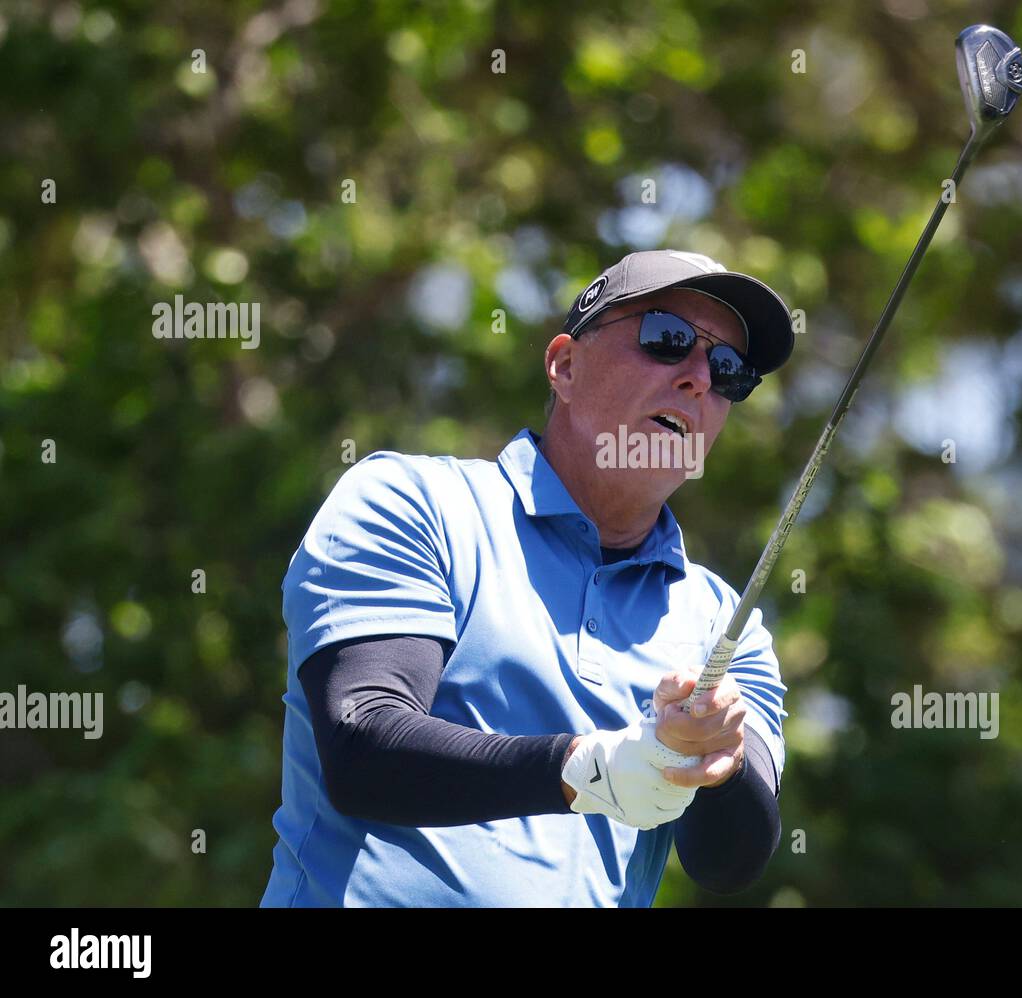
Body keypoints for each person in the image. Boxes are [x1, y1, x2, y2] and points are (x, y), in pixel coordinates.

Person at [260, 249, 794, 907]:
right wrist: (587, 771)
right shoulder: (411, 502)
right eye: (667, 338)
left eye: (728, 370)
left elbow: (729, 862)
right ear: (565, 365)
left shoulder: (725, 624)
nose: (697, 380)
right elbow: (364, 746)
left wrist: (717, 755)